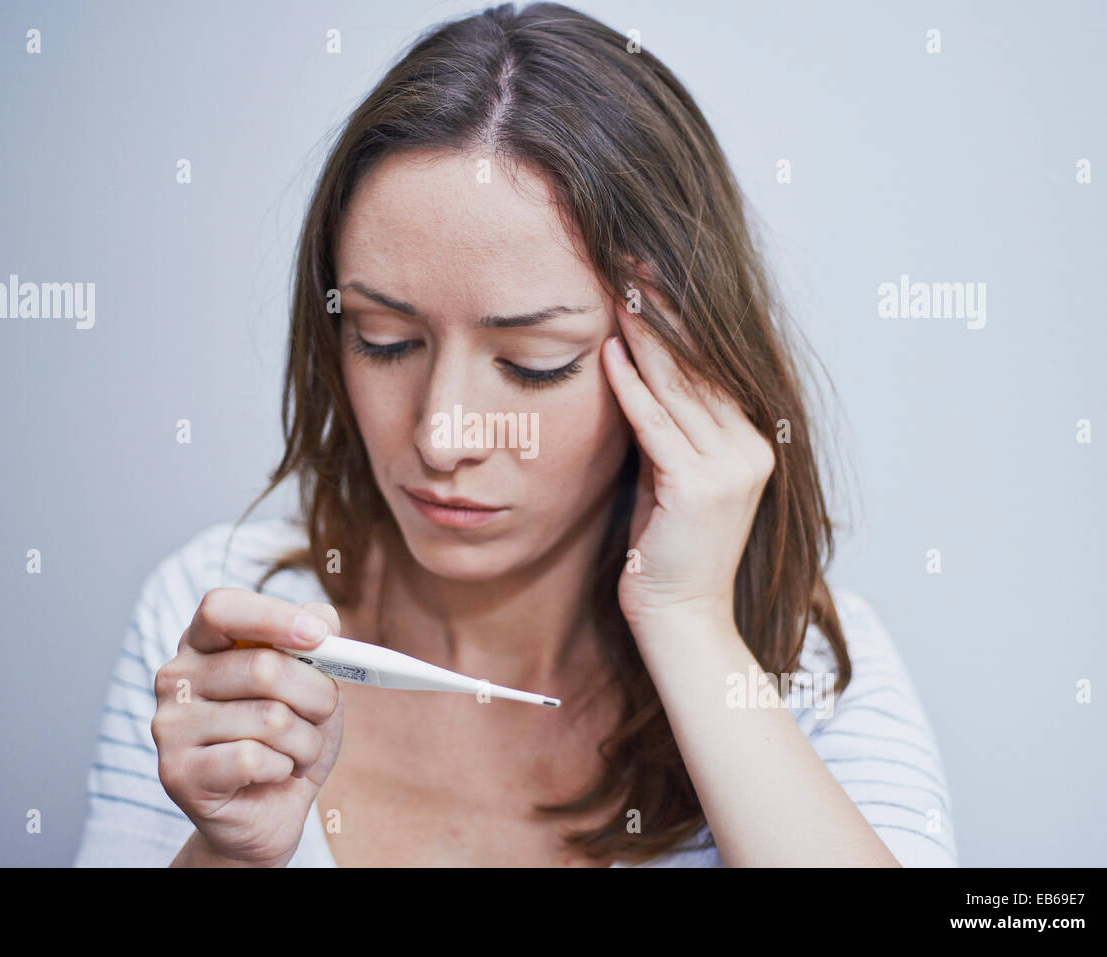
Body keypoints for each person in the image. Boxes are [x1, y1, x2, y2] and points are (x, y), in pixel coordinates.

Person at [73, 1, 958, 867]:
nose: (442, 435)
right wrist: (228, 858)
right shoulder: (221, 624)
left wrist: (688, 623)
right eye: (385, 340)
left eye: (535, 362)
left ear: (679, 366)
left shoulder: (807, 674)